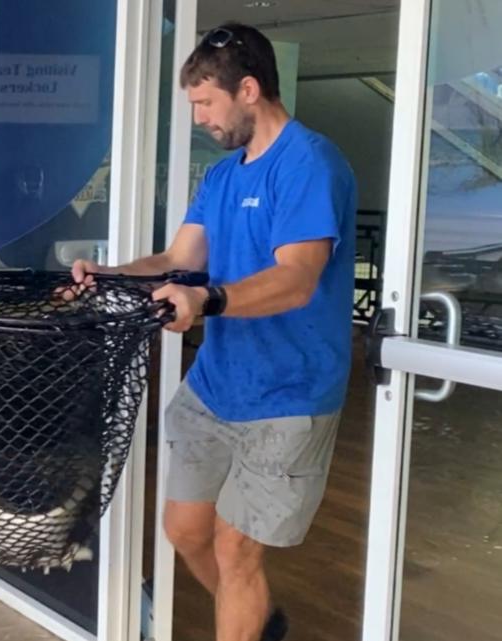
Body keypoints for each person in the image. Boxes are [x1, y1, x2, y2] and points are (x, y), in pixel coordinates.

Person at [71, 23, 356, 641]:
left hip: (288, 397)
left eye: (205, 102)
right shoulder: (224, 176)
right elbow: (179, 259)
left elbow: (296, 279)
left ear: (248, 89)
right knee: (186, 531)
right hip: (218, 385)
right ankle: (261, 622)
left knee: (236, 553)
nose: (198, 117)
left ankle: (245, 620)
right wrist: (110, 274)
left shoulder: (309, 163)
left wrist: (210, 297)